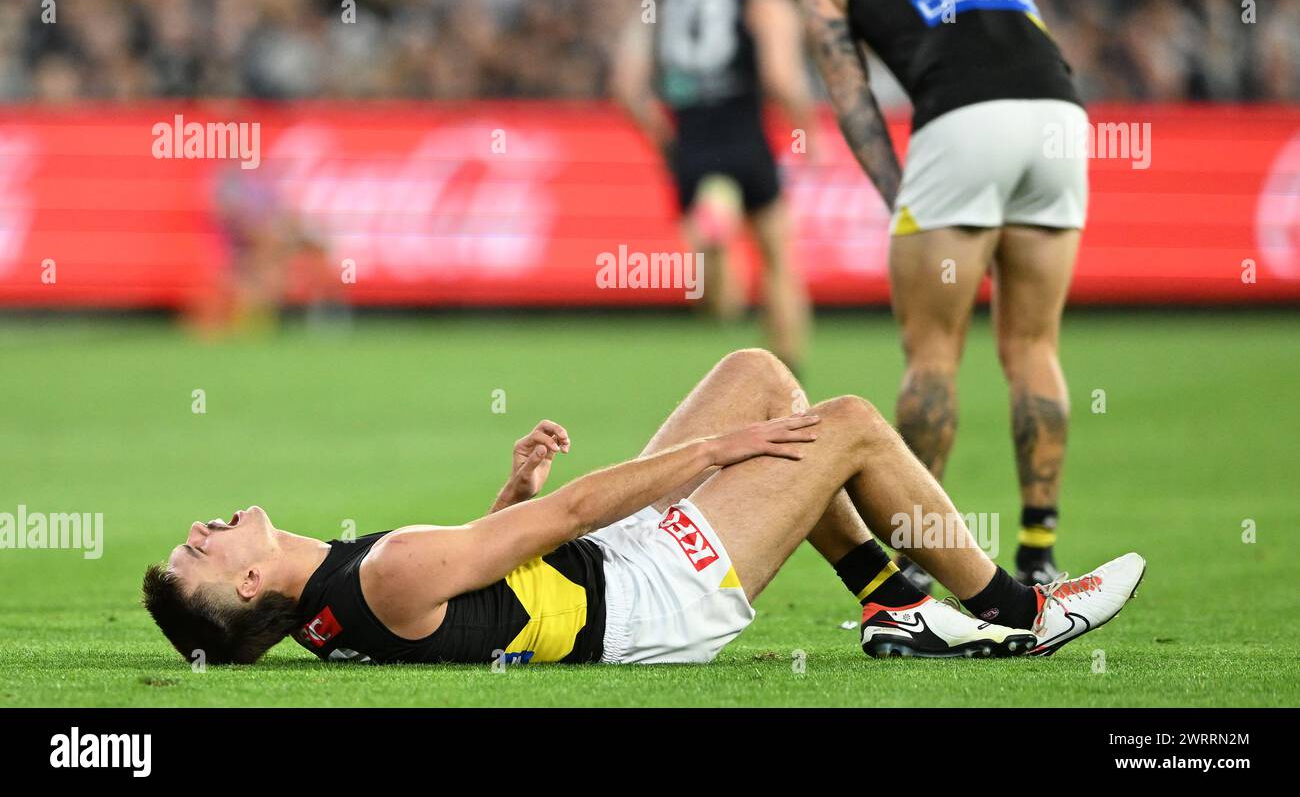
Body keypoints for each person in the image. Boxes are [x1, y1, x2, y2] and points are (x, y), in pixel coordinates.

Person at [143, 349, 1143, 667]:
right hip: (651, 595)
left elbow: (466, 592)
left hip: (601, 571)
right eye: (197, 553)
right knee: (843, 424)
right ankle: (1020, 610)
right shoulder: (379, 572)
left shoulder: (333, 608)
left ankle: (893, 602)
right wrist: (712, 456)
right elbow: (573, 512)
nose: (197, 530)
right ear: (248, 581)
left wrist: (506, 501)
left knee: (758, 375)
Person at [797, 0, 1090, 589]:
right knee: (1035, 346)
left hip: (964, 124)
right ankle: (1040, 553)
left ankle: (916, 563)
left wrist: (896, 190)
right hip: (1060, 118)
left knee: (932, 354)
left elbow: (850, 92)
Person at [612, 0, 812, 374]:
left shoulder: (659, 1)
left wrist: (664, 138)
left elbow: (625, 86)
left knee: (719, 304)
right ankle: (788, 371)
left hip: (692, 140)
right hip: (745, 134)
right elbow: (781, 78)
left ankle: (716, 238)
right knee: (778, 257)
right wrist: (810, 130)